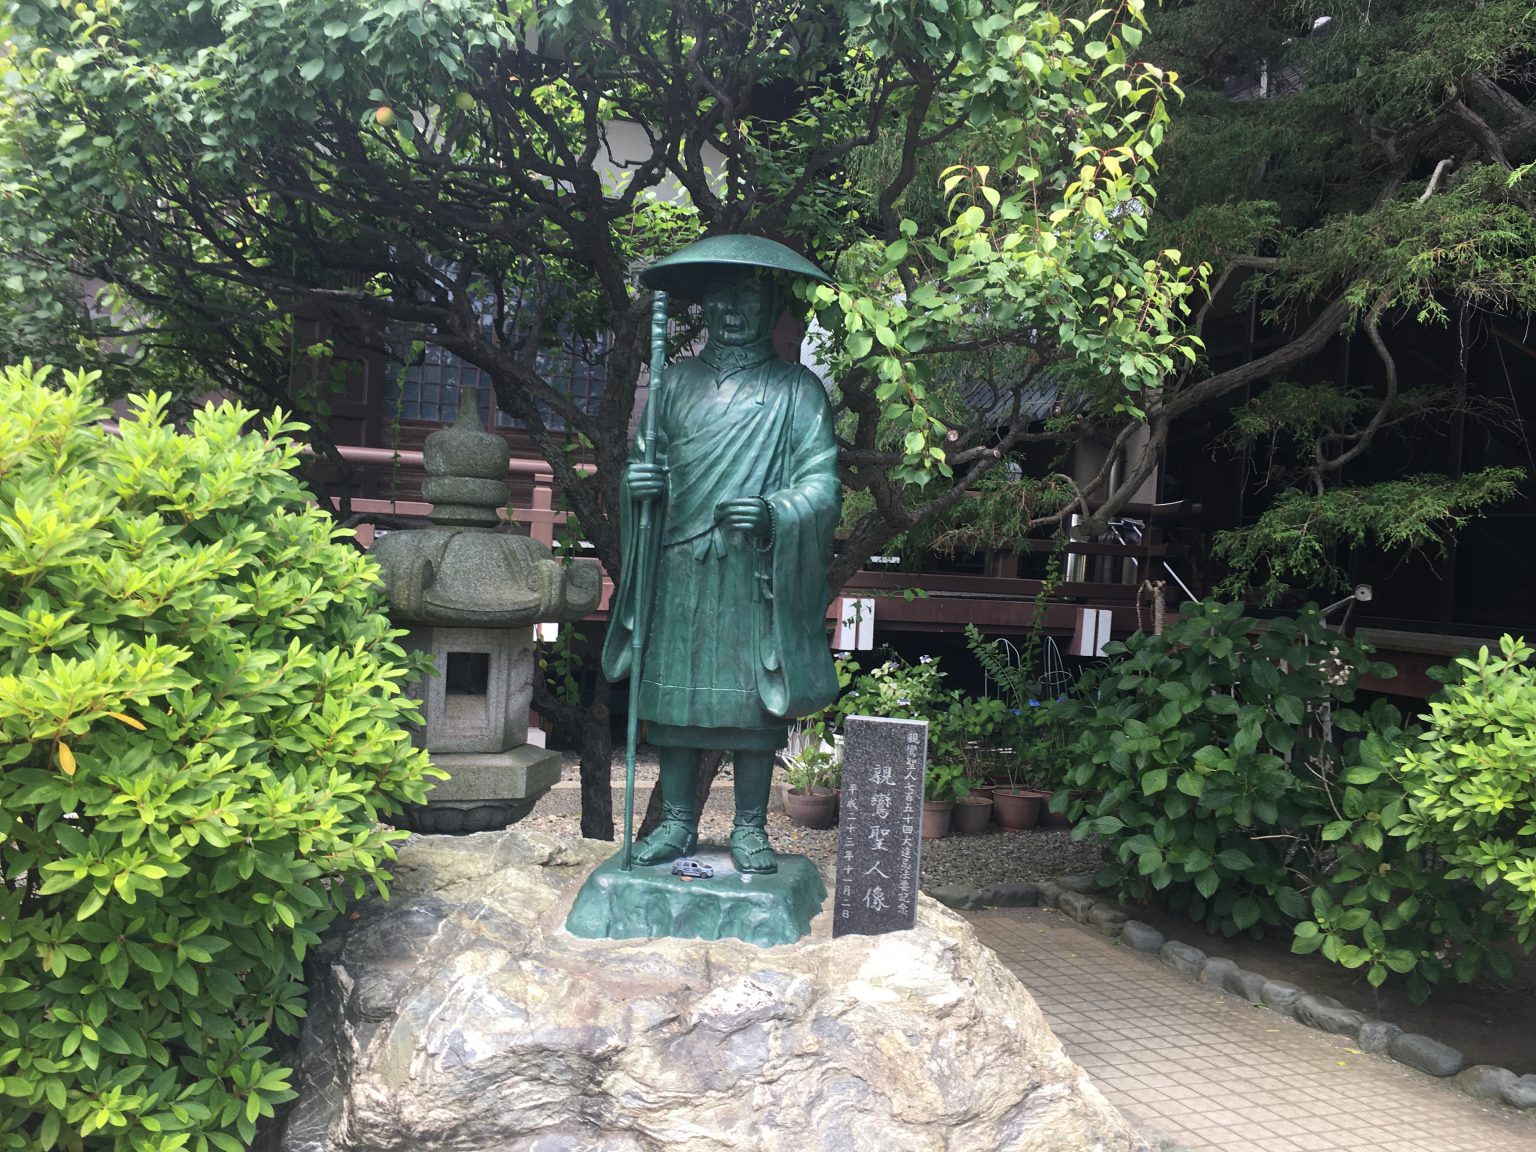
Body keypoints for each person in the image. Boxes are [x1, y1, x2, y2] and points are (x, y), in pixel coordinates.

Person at [602, 241, 840, 874]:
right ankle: (677, 823)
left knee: (751, 704)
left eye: (749, 300)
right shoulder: (675, 383)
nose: (734, 313)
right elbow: (648, 463)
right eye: (722, 301)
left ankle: (750, 827)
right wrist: (639, 485)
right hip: (680, 562)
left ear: (772, 309)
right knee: (677, 703)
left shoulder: (797, 391)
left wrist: (775, 512)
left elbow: (822, 483)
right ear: (705, 308)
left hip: (752, 569)